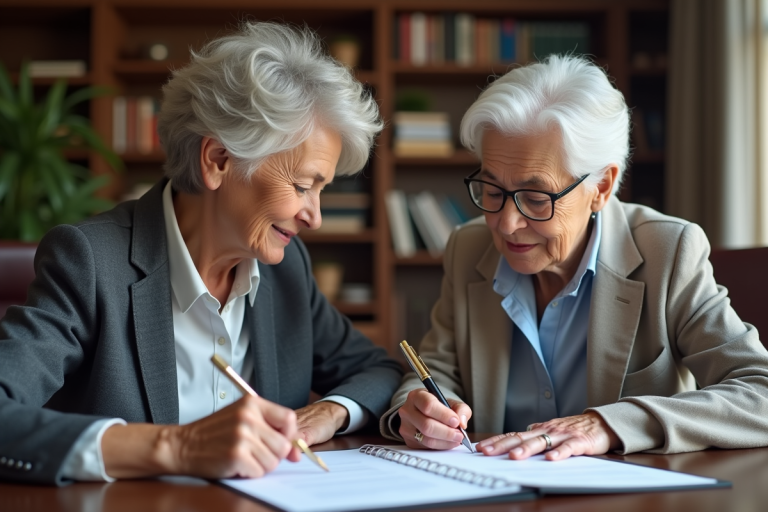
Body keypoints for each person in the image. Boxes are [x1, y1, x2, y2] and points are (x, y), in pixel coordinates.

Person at [0, 22, 402, 485]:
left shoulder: (286, 267)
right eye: (301, 186)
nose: (315, 217)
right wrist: (179, 446)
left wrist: (330, 412)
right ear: (218, 161)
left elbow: (378, 370)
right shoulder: (91, 261)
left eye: (322, 191)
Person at [380, 54, 768, 460]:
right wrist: (419, 412)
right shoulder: (467, 248)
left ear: (601, 186)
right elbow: (435, 374)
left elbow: (759, 391)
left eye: (535, 197)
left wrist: (609, 424)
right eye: (492, 191)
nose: (507, 223)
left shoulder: (668, 253)